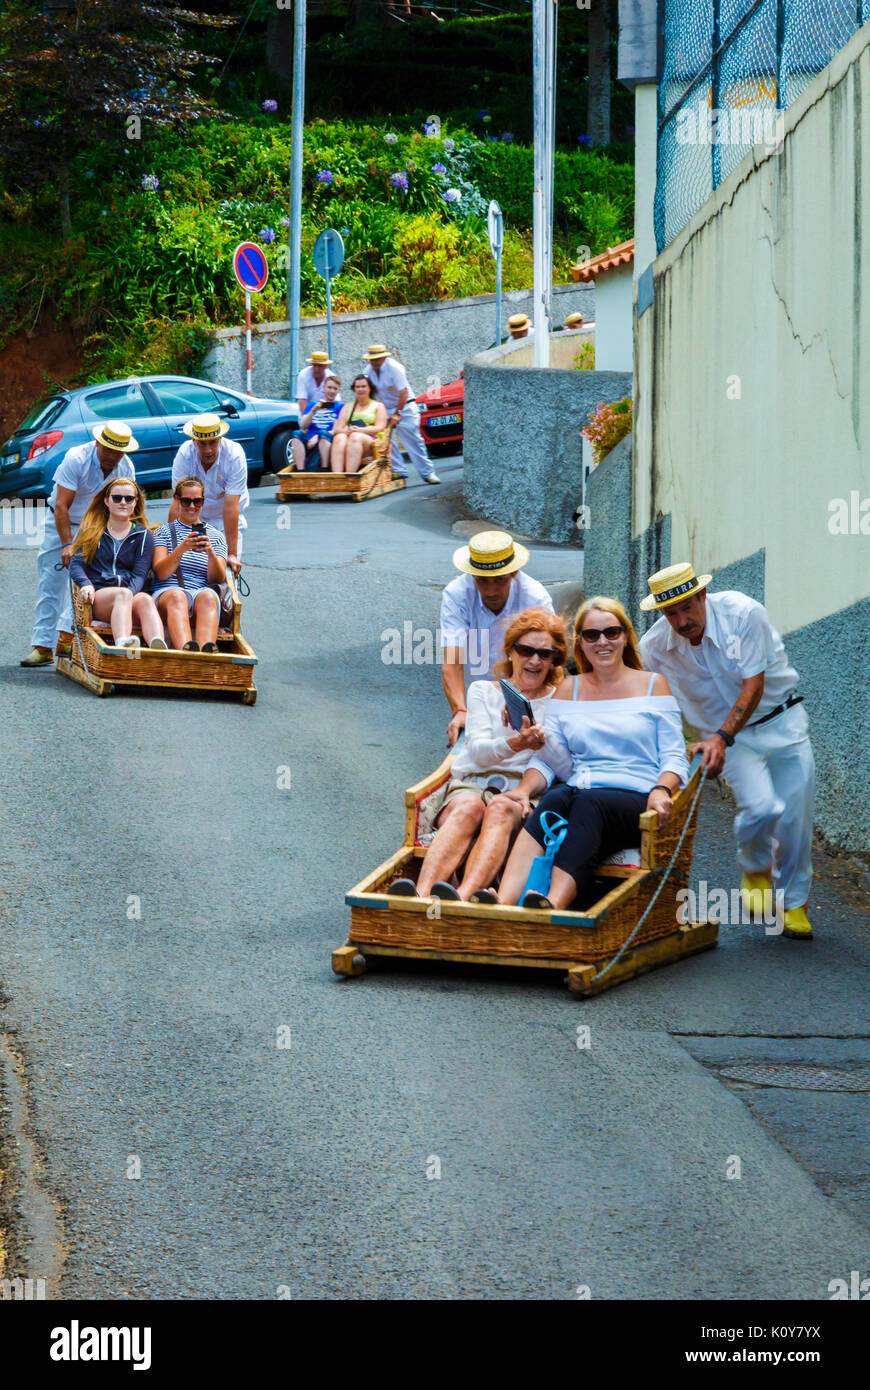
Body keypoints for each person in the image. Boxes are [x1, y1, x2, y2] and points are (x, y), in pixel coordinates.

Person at [637, 562, 816, 940]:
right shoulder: (653, 649)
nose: (682, 620)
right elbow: (653, 704)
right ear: (662, 613)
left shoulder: (744, 613)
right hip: (728, 740)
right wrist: (679, 747)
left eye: (688, 607)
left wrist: (720, 736)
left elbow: (753, 684)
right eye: (671, 613)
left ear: (703, 595)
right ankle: (755, 868)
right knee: (763, 807)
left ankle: (794, 903)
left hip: (780, 720)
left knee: (795, 817)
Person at [495, 596, 688, 909]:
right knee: (556, 799)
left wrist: (662, 789)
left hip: (636, 797)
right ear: (580, 642)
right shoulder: (568, 689)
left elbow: (675, 756)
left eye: (611, 632)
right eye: (591, 635)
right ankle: (502, 903)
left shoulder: (654, 685)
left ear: (625, 636)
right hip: (582, 789)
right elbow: (551, 759)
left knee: (588, 802)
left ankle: (552, 904)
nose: (602, 642)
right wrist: (524, 764)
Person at [390, 608, 567, 902]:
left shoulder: (561, 698)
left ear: (554, 660)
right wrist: (516, 743)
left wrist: (538, 738)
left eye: (545, 654)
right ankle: (420, 897)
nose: (534, 660)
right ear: (511, 652)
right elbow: (478, 753)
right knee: (471, 807)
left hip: (524, 791)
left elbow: (562, 762)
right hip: (474, 782)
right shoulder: (484, 691)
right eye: (526, 650)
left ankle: (461, 898)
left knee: (499, 807)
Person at [21, 420, 139, 666]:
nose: (112, 456)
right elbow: (62, 505)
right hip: (62, 519)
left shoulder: (125, 467)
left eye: (118, 451)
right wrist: (67, 544)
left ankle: (67, 638)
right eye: (108, 449)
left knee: (87, 582)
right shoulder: (77, 458)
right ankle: (42, 646)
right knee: (51, 581)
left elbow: (124, 507)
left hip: (96, 525)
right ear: (98, 443)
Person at [440, 530, 555, 746]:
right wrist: (460, 710)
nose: (491, 590)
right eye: (482, 581)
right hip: (477, 695)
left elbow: (548, 662)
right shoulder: (456, 594)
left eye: (499, 580)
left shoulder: (535, 597)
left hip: (525, 690)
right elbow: (452, 662)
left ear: (514, 573)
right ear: (472, 575)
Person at [67, 476, 164, 651]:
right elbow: (76, 564)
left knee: (146, 600)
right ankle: (122, 645)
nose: (123, 502)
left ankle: (158, 648)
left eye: (129, 498)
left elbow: (140, 574)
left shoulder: (143, 535)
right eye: (117, 498)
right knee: (123, 595)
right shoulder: (92, 531)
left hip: (129, 596)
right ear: (106, 500)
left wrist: (130, 594)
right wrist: (85, 584)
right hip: (100, 598)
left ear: (135, 502)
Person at [151, 477, 228, 652]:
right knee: (178, 596)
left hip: (201, 592)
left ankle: (204, 653)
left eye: (197, 501)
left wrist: (210, 552)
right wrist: (182, 549)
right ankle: (187, 653)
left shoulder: (216, 536)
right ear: (177, 500)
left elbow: (218, 578)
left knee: (208, 597)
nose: (192, 506)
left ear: (203, 502)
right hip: (168, 593)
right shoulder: (163, 532)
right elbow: (160, 573)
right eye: (186, 501)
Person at [169, 413, 246, 577]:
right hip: (194, 514)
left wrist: (231, 554)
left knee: (225, 572)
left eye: (213, 443)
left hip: (224, 515)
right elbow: (178, 502)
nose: (208, 450)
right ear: (193, 441)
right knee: (190, 568)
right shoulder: (185, 455)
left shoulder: (234, 455)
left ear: (221, 439)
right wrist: (172, 549)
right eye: (202, 444)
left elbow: (231, 507)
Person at [362, 344, 440, 484]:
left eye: (377, 359)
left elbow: (403, 392)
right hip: (385, 408)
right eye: (371, 359)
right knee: (385, 440)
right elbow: (368, 392)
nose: (374, 362)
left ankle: (428, 473)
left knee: (413, 440)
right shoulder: (368, 371)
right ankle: (398, 471)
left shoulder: (395, 368)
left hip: (405, 406)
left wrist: (397, 413)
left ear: (384, 357)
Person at [330, 375, 388, 474]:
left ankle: (350, 475)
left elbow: (380, 427)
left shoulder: (378, 406)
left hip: (371, 440)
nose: (360, 389)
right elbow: (338, 428)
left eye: (363, 386)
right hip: (350, 435)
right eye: (357, 387)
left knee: (355, 436)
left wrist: (361, 430)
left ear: (369, 388)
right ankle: (337, 475)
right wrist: (348, 430)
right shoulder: (348, 407)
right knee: (339, 437)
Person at [290, 374, 343, 472]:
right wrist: (313, 411)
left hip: (326, 439)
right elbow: (303, 426)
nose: (332, 391)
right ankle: (300, 470)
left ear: (338, 391)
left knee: (323, 433)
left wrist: (317, 437)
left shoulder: (339, 406)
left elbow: (335, 430)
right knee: (296, 434)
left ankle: (324, 468)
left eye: (335, 389)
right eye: (329, 387)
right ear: (323, 388)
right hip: (309, 440)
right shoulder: (312, 404)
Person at [295, 351, 339, 419]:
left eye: (320, 366)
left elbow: (335, 403)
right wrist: (308, 419)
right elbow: (302, 400)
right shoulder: (303, 375)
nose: (316, 369)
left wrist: (319, 408)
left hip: (326, 416)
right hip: (306, 415)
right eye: (314, 365)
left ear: (326, 366)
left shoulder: (331, 377)